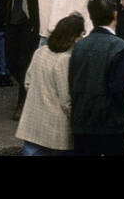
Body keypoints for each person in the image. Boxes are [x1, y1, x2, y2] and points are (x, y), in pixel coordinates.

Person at [69, 0, 124, 156]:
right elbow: (123, 92)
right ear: (115, 15)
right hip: (110, 126)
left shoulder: (79, 46)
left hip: (82, 122)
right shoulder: (120, 47)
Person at [14, 11, 84, 155]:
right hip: (57, 124)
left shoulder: (41, 52)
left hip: (33, 119)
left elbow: (28, 82)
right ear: (75, 38)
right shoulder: (65, 60)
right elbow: (66, 99)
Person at [1, 0, 40, 117]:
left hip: (29, 19)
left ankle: (22, 102)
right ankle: (30, 91)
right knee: (11, 61)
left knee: (25, 61)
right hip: (12, 17)